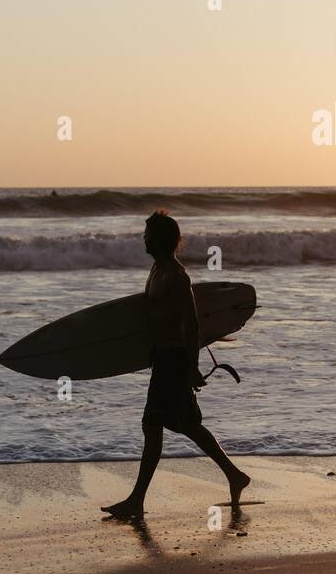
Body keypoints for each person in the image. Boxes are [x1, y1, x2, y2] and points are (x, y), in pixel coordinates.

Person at [102, 210, 250, 519]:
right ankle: (234, 476)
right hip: (163, 360)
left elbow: (192, 323)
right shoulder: (158, 269)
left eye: (148, 234)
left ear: (159, 239)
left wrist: (191, 367)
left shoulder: (176, 276)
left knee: (156, 425)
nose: (144, 239)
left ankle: (137, 501)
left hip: (174, 360)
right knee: (182, 426)